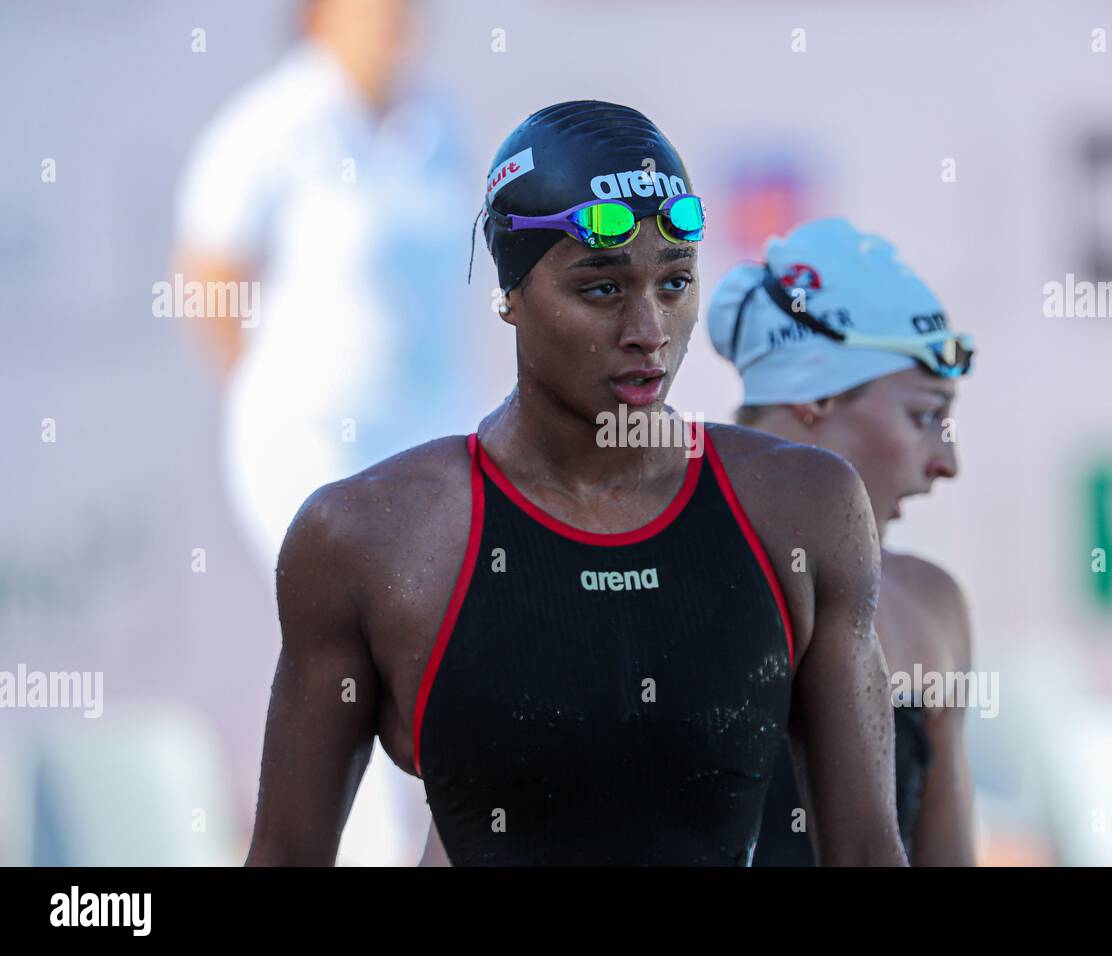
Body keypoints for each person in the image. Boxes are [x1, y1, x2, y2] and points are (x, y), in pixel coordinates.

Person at [246, 101, 908, 866]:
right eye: (601, 289)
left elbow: (866, 852)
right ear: (512, 297)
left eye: (674, 283)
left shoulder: (804, 511)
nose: (649, 330)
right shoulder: (371, 539)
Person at [171, 0, 470, 865]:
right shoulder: (273, 121)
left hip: (425, 446)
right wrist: (277, 399)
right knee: (359, 644)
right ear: (317, 14)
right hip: (310, 444)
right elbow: (206, 272)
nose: (400, 14)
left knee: (450, 653)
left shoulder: (438, 121)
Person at [707, 218, 978, 865]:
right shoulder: (654, 572)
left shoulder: (927, 607)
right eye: (922, 416)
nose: (947, 463)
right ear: (814, 396)